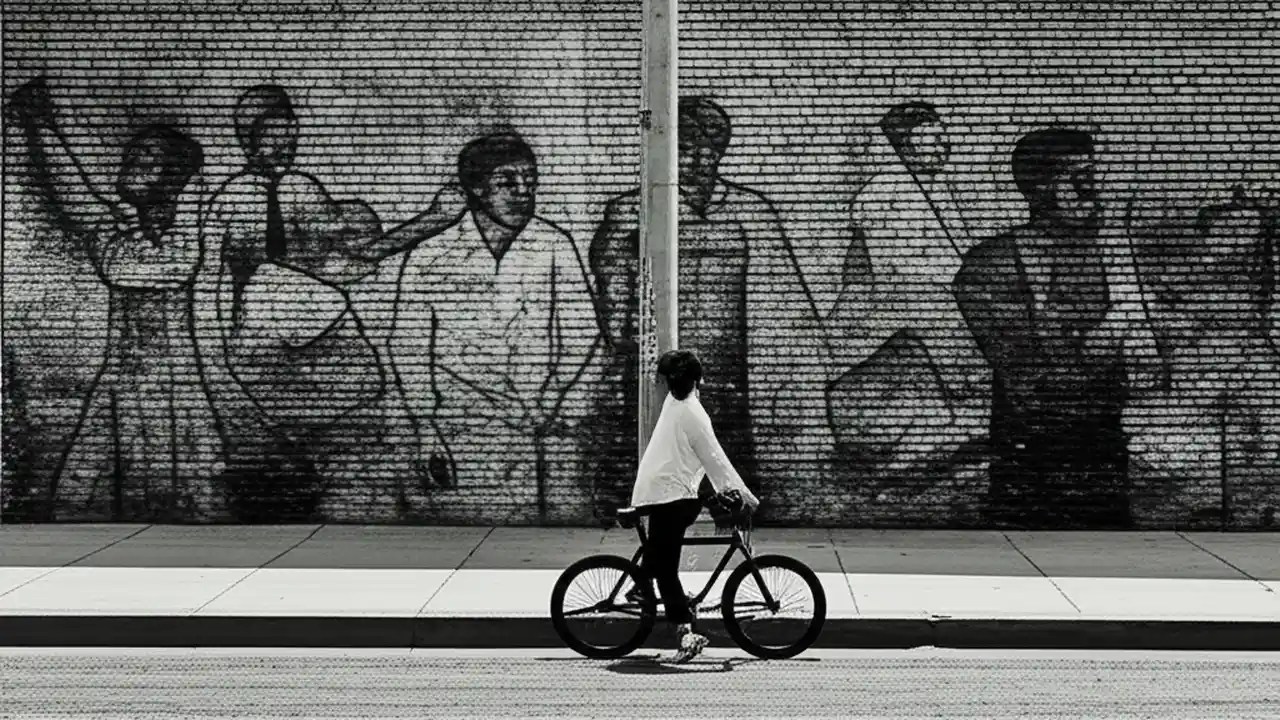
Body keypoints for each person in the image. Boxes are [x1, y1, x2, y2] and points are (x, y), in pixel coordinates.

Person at [590, 96, 832, 515]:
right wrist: (625, 341)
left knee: (723, 451)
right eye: (686, 147)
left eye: (709, 148)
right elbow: (610, 291)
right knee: (649, 455)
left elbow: (787, 302)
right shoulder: (632, 211)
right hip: (656, 370)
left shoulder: (751, 212)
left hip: (728, 370)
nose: (699, 159)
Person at [6, 76, 222, 520]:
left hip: (170, 392)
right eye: (132, 155)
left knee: (172, 499)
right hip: (121, 384)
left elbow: (138, 264)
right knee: (82, 497)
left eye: (145, 158)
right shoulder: (123, 235)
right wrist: (41, 127)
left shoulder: (181, 244)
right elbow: (77, 197)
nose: (129, 163)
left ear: (171, 179)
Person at [382, 131, 600, 520]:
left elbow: (581, 329)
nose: (523, 193)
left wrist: (549, 400)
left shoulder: (553, 245)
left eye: (530, 183)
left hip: (528, 421)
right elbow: (408, 345)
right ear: (478, 190)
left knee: (522, 519)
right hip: (455, 424)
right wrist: (426, 427)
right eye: (508, 183)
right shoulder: (431, 253)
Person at [953, 128, 1162, 528]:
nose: (1095, 195)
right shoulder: (989, 267)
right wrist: (1121, 317)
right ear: (1041, 188)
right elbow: (1035, 380)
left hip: (1102, 465)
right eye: (1082, 182)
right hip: (1029, 473)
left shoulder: (1106, 258)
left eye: (1095, 182)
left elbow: (1149, 368)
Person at [825, 100, 989, 511]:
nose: (942, 147)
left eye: (943, 139)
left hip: (939, 302)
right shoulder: (884, 193)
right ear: (906, 145)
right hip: (905, 306)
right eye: (931, 140)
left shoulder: (938, 189)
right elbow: (893, 269)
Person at [630, 350, 760, 663]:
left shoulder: (677, 405)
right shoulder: (688, 409)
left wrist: (732, 492)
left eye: (667, 379)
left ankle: (647, 590)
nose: (665, 385)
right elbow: (714, 459)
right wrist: (743, 496)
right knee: (665, 568)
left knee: (661, 563)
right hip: (668, 495)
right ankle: (683, 628)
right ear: (698, 380)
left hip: (669, 494)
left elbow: (709, 459)